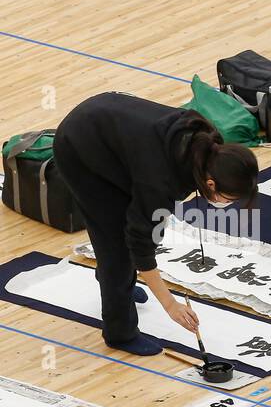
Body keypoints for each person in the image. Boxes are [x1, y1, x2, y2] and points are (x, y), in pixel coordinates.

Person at [52, 95, 258, 356]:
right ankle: (120, 333)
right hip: (80, 148)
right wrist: (170, 305)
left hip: (109, 128)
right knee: (115, 244)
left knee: (123, 230)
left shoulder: (207, 144)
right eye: (229, 199)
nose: (228, 205)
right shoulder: (160, 183)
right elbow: (141, 243)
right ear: (211, 184)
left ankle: (118, 286)